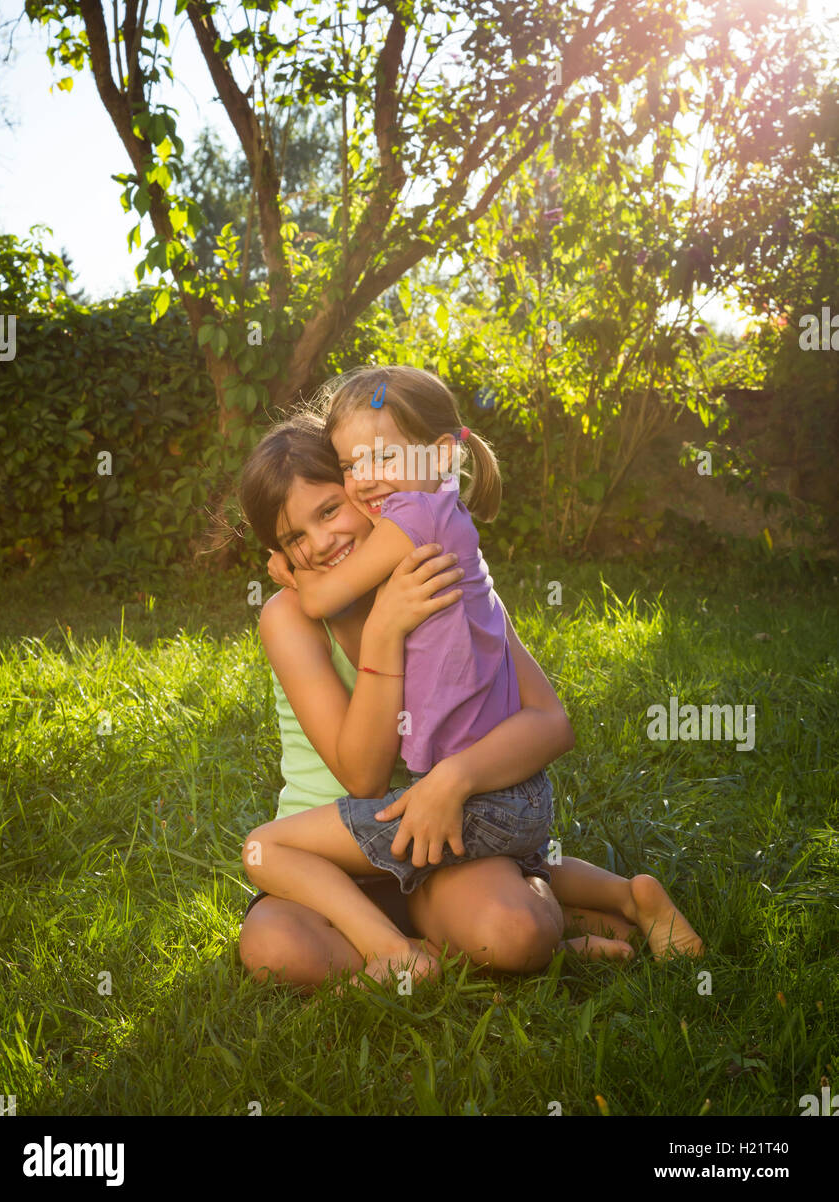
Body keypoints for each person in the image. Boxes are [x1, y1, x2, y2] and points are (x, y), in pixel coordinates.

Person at [238, 403, 703, 988]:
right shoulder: (291, 619)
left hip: (444, 849)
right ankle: (422, 948)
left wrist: (452, 780)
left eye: (331, 509)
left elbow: (550, 722)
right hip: (330, 866)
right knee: (273, 950)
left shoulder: (445, 576)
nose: (323, 541)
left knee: (513, 933)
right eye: (294, 539)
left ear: (366, 488)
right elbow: (363, 779)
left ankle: (474, 937)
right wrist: (384, 629)